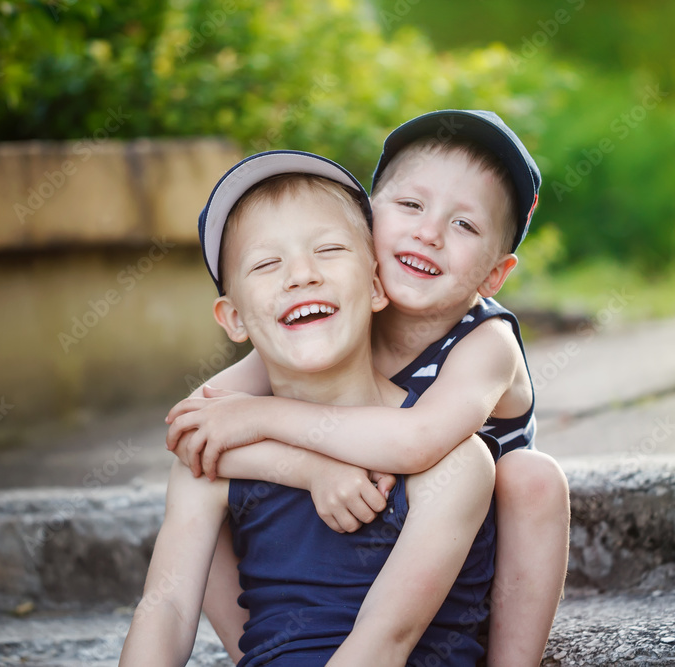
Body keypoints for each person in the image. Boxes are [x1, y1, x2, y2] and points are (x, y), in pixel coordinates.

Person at [167, 110, 571, 666]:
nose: (429, 233)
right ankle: (263, 652)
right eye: (410, 206)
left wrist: (261, 418)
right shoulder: (334, 314)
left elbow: (418, 441)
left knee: (534, 479)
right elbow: (199, 421)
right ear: (368, 216)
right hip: (357, 532)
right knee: (207, 467)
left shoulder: (486, 342)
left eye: (465, 226)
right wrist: (310, 469)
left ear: (494, 275)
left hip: (459, 540)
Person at [120, 150, 498, 667]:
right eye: (266, 263)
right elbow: (164, 611)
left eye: (328, 249)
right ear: (233, 319)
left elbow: (384, 642)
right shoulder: (213, 466)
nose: (300, 275)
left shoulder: (453, 462)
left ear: (375, 286)